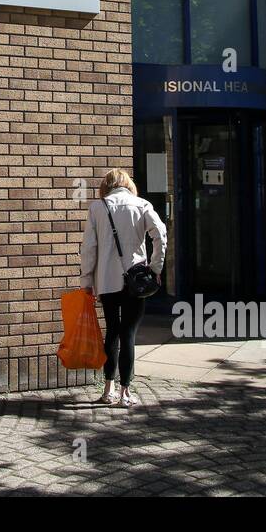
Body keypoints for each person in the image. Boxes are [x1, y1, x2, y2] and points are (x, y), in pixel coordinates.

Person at [79, 168, 167, 408]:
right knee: (128, 333)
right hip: (136, 281)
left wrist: (86, 281)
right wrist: (155, 268)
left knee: (112, 331)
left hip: (106, 280)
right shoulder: (142, 205)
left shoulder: (97, 208)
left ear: (106, 186)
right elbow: (160, 233)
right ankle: (125, 392)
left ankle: (108, 388)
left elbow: (89, 248)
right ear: (128, 184)